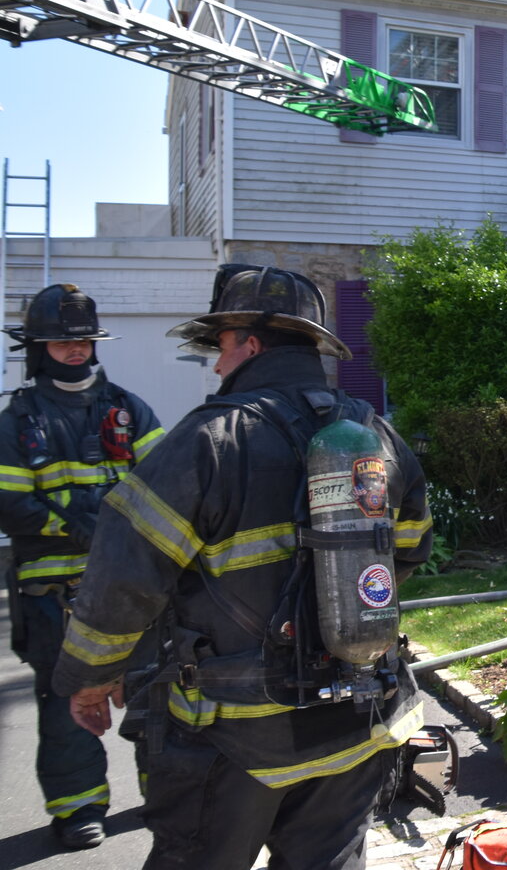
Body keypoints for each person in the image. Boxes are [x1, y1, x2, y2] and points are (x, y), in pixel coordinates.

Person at [51, 264, 432, 870]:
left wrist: (92, 677)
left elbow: (123, 575)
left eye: (222, 349)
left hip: (236, 736)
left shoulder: (208, 440)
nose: (216, 366)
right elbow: (409, 546)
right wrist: (334, 607)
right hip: (357, 720)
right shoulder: (372, 431)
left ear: (251, 346)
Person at [0, 283, 164, 849]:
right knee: (64, 697)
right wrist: (75, 527)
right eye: (61, 342)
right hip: (50, 590)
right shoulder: (18, 420)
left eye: (83, 341)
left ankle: (163, 795)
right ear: (38, 347)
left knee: (151, 692)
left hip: (131, 586)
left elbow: (167, 481)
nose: (75, 350)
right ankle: (77, 810)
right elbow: (9, 501)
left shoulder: (128, 408)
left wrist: (120, 531)